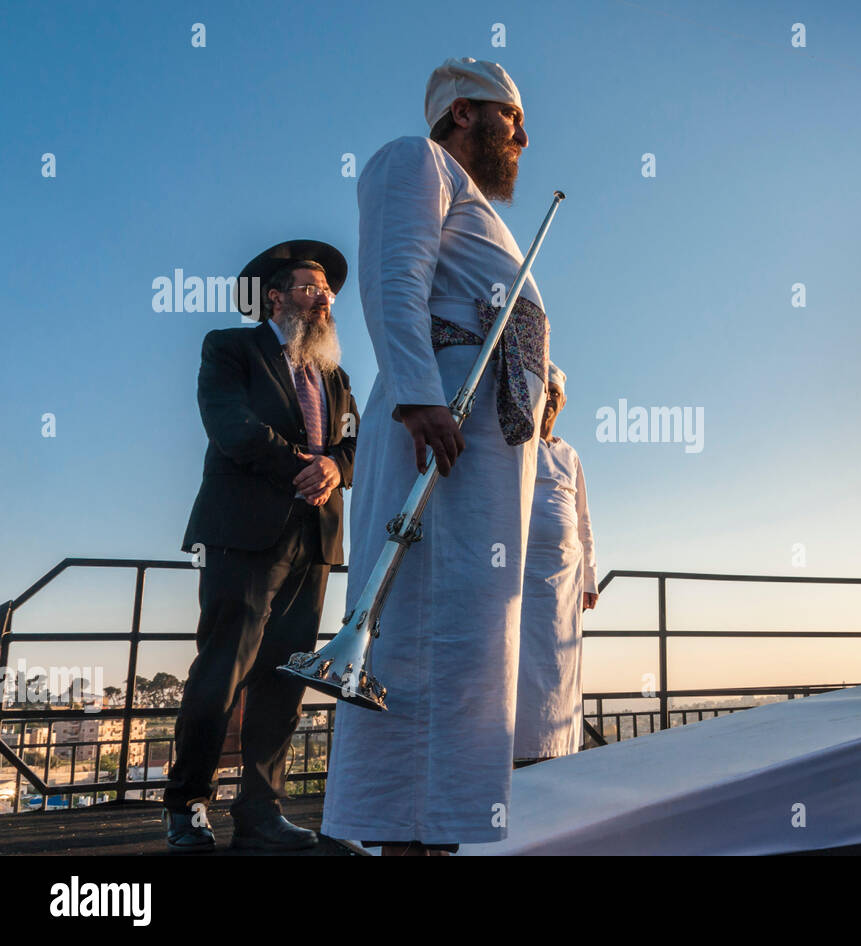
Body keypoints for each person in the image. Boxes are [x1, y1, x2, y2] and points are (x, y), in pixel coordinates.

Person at [321, 57, 548, 856]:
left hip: (487, 458)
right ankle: (403, 838)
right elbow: (395, 272)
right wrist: (418, 391)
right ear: (461, 111)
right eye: (510, 116)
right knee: (417, 634)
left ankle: (444, 832)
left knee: (474, 648)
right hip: (435, 435)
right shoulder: (414, 161)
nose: (523, 134)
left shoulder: (492, 216)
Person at [167, 240, 357, 852]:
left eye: (327, 290)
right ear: (274, 297)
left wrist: (335, 470)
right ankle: (187, 807)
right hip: (244, 534)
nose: (323, 298)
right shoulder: (230, 349)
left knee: (285, 676)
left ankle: (260, 813)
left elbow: (355, 444)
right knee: (222, 670)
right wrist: (302, 464)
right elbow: (230, 426)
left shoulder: (336, 376)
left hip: (316, 538)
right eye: (310, 287)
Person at [515, 363, 599, 765]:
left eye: (555, 394)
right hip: (523, 575)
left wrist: (591, 580)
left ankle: (561, 749)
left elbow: (583, 520)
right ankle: (522, 752)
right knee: (523, 665)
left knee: (562, 665)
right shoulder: (516, 445)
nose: (548, 399)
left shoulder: (570, 454)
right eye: (542, 391)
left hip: (567, 582)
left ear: (563, 403)